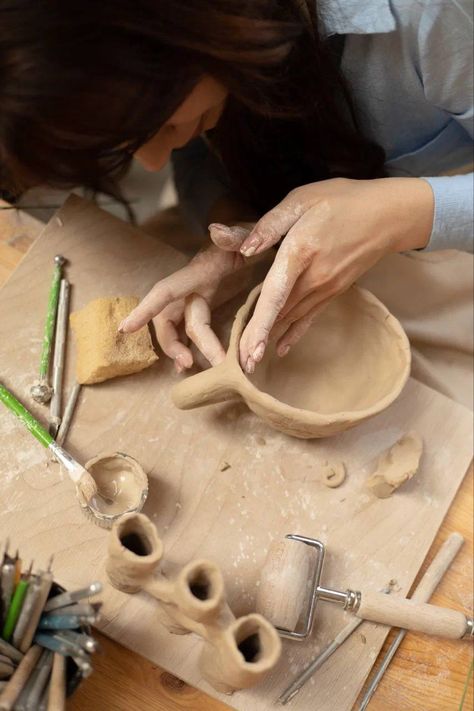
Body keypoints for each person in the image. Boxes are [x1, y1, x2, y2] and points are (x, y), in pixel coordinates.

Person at [1, 0, 472, 378]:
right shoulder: (189, 73)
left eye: (160, 126)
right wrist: (237, 238)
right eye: (127, 145)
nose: (154, 160)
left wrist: (405, 213)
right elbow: (197, 159)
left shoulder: (426, 14)